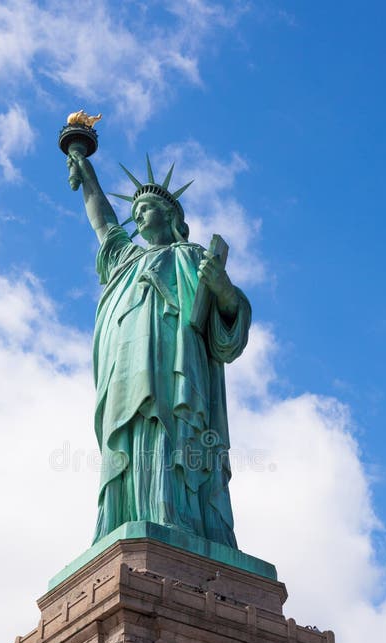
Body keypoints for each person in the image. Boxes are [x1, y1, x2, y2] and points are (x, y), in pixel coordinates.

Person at [67, 151, 251, 548]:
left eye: (147, 208)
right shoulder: (125, 261)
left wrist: (223, 291)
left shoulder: (191, 257)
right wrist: (88, 178)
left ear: (170, 218)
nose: (139, 217)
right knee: (133, 438)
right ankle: (130, 516)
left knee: (172, 432)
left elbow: (229, 326)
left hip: (175, 369)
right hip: (126, 372)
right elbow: (104, 225)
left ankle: (178, 517)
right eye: (136, 210)